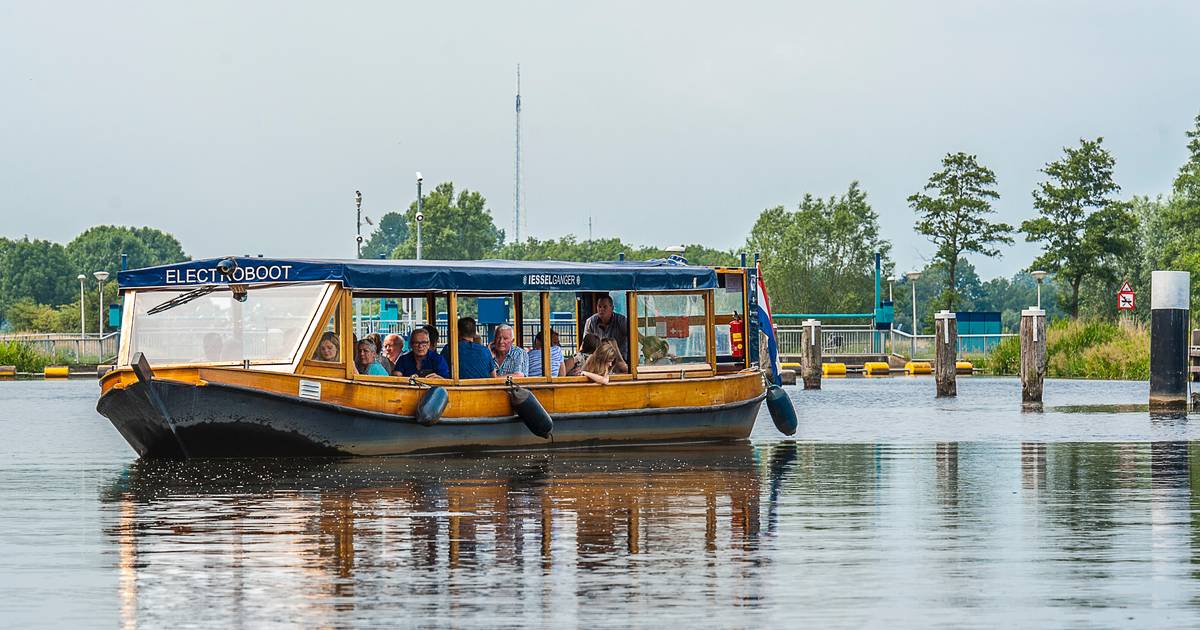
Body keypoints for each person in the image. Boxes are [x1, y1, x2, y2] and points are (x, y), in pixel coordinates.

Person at [583, 294, 629, 361]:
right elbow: (586, 343)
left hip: (619, 359)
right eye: (599, 306)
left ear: (612, 308)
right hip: (599, 361)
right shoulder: (590, 321)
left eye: (605, 307)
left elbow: (633, 337)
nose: (601, 309)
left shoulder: (621, 321)